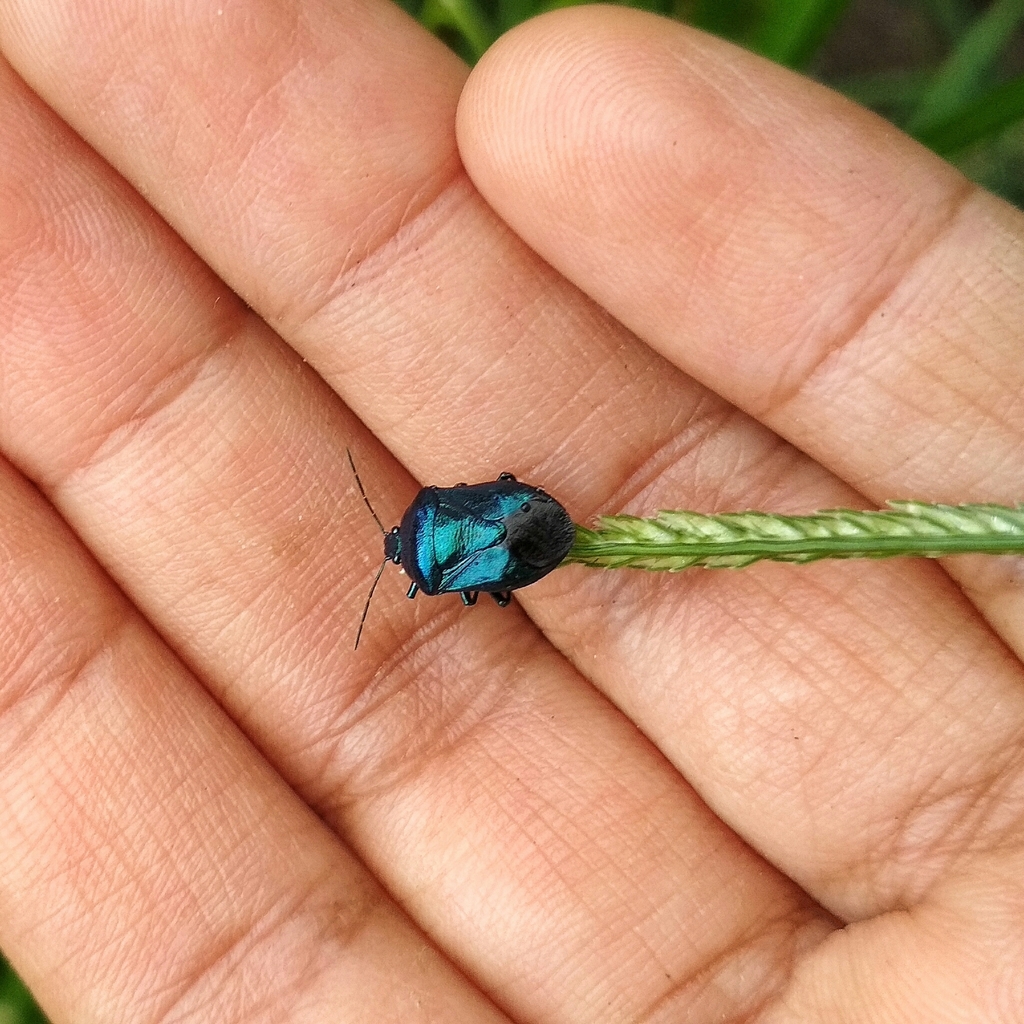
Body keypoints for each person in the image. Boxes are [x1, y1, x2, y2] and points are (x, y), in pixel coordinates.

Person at [1, 2, 1022, 1020]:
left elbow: (492, 547)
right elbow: (480, 490)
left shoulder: (440, 573)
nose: (405, 546)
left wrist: (506, 561)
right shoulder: (436, 519)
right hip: (539, 513)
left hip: (548, 536)